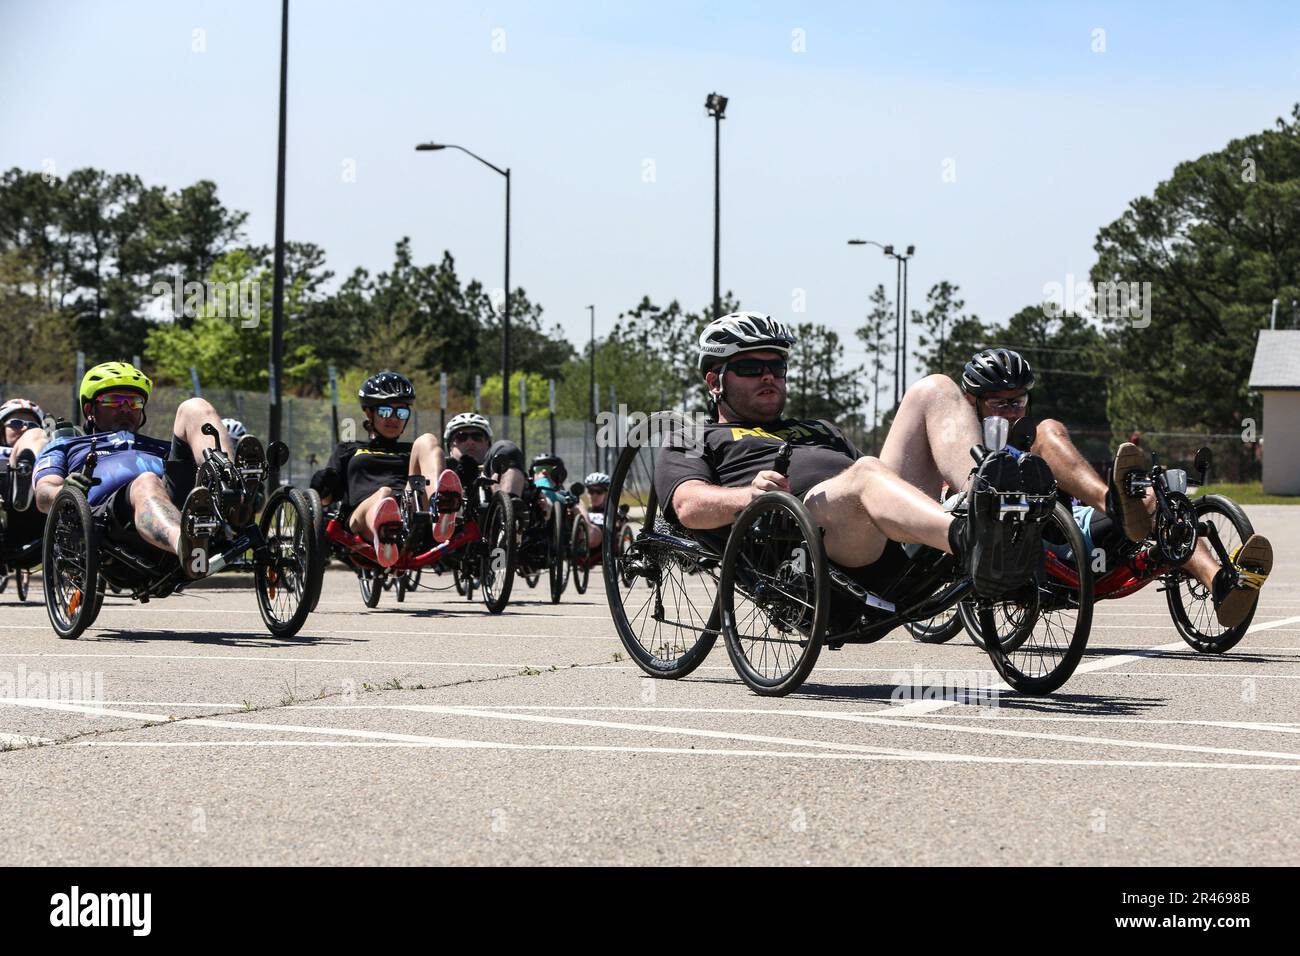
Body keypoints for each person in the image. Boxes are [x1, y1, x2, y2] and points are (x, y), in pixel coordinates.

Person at [657, 313, 1055, 596]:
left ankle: (984, 498)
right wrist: (750, 496)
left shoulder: (819, 427)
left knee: (933, 387)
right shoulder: (694, 434)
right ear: (714, 381)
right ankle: (970, 536)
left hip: (878, 527)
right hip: (803, 537)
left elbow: (884, 479)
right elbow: (688, 504)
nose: (768, 376)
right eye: (749, 366)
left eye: (777, 366)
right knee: (865, 473)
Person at [959, 347, 1271, 627]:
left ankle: (1220, 584)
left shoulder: (1034, 439)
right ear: (973, 402)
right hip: (1022, 543)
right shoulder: (958, 445)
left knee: (1151, 499)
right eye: (1000, 404)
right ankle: (1115, 503)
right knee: (1048, 429)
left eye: (1018, 401)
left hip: (1074, 531)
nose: (1012, 411)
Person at [33, 362, 262, 578]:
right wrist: (65, 489)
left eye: (134, 402)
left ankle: (231, 489)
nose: (126, 409)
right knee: (146, 482)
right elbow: (43, 495)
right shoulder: (68, 445)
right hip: (109, 522)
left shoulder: (159, 446)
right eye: (114, 401)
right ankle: (186, 544)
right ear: (89, 409)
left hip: (179, 504)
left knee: (194, 407)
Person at [310, 371, 461, 568]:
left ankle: (439, 508)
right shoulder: (350, 448)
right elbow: (325, 499)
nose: (394, 418)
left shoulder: (410, 450)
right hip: (362, 515)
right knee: (385, 494)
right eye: (385, 411)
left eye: (401, 412)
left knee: (428, 440)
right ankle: (385, 535)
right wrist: (323, 481)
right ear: (369, 412)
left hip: (409, 510)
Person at [442, 411, 528, 502]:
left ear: (488, 445)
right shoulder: (440, 470)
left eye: (477, 436)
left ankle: (507, 506)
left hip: (497, 505)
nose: (470, 442)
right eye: (461, 437)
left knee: (506, 447)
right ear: (450, 447)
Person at [1, 399, 50, 551]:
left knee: (37, 436)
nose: (23, 428)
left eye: (31, 425)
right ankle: (25, 470)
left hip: (36, 518)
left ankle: (26, 469)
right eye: (16, 423)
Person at [580, 471, 611, 551]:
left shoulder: (612, 513)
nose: (594, 495)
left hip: (600, 546)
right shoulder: (584, 511)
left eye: (599, 492)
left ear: (606, 493)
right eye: (591, 491)